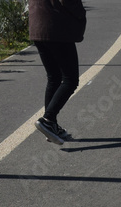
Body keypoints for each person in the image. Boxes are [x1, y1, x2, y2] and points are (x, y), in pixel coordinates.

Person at [29, 0, 87, 144]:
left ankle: (50, 125)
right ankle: (48, 120)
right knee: (70, 80)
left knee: (54, 77)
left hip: (37, 26)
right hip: (56, 28)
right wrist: (81, 14)